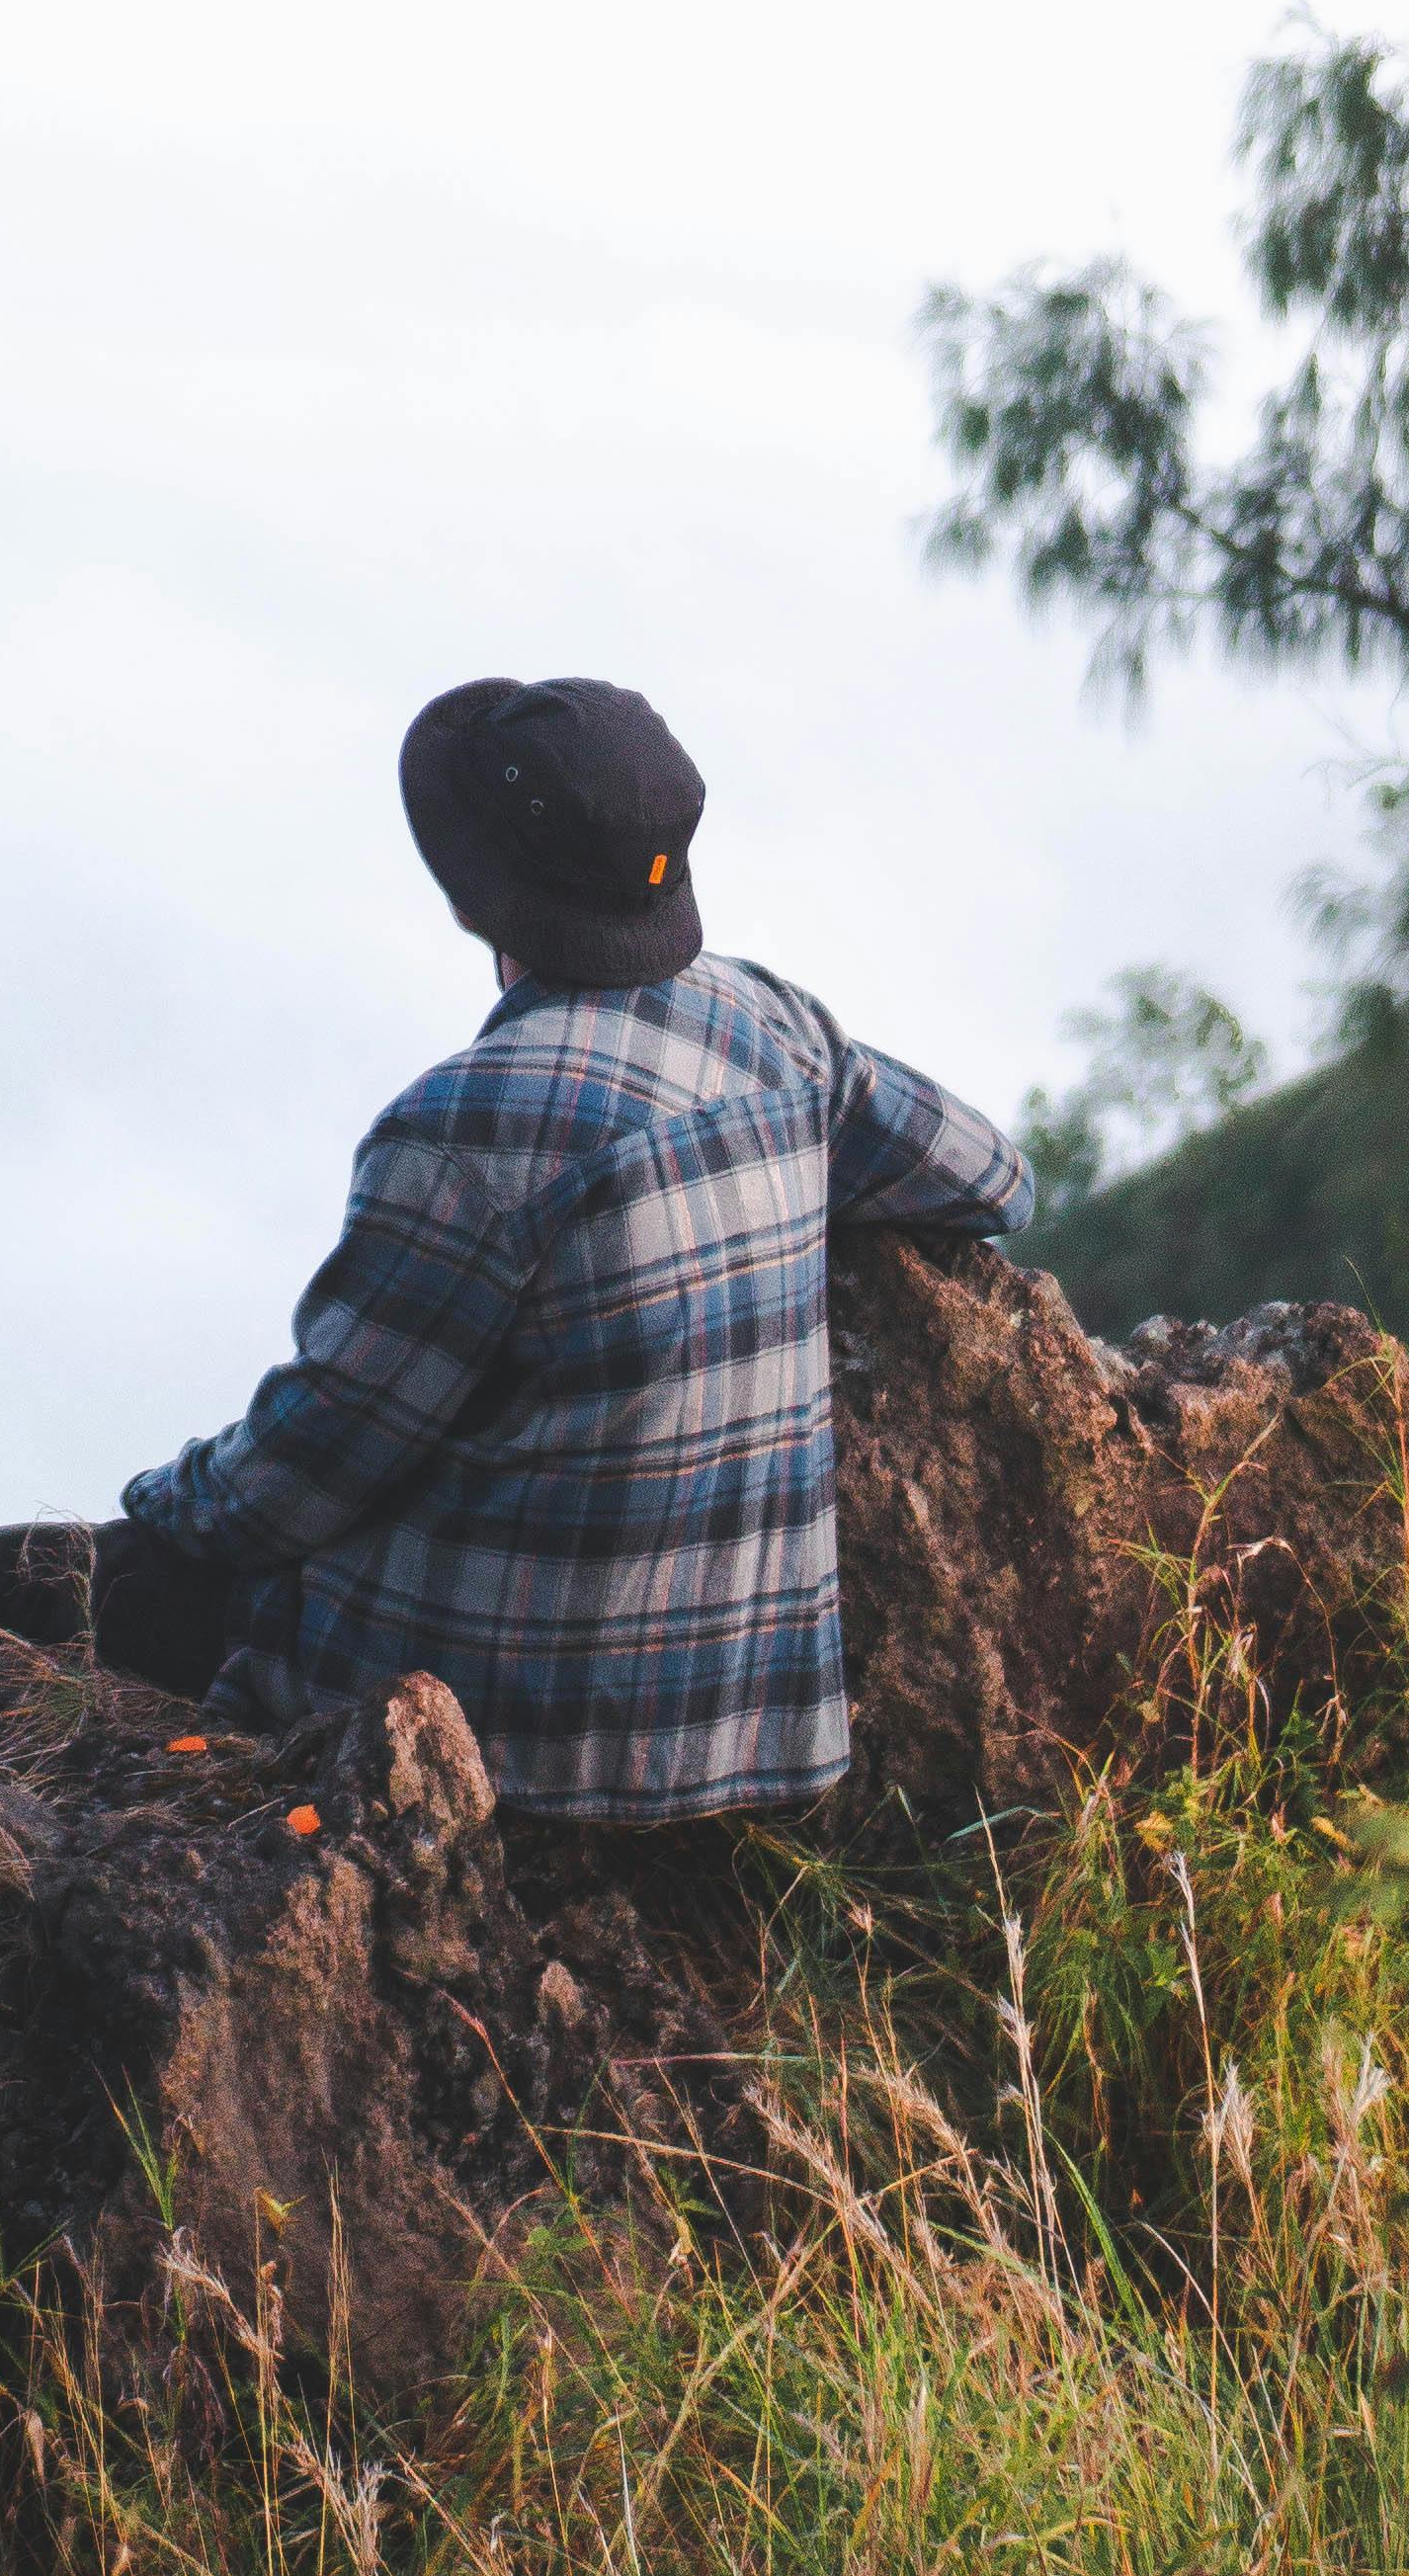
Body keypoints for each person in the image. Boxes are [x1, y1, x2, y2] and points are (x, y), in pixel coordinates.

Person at [116, 674, 1037, 1818]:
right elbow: (994, 1178)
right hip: (752, 1725)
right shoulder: (777, 1032)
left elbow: (292, 1483)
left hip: (513, 1747)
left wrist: (158, 1496)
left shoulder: (466, 1128)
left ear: (473, 898)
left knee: (20, 1581)